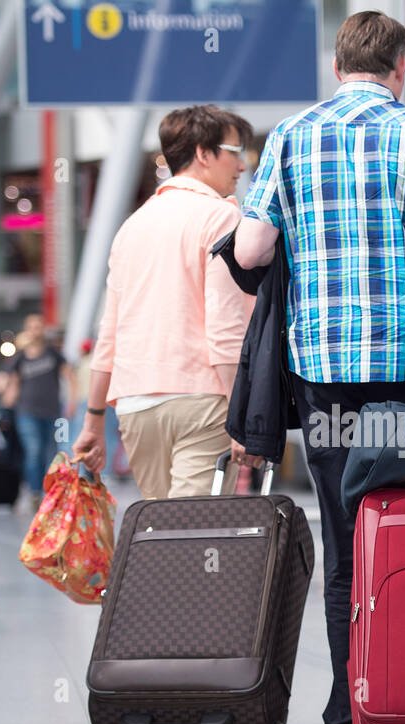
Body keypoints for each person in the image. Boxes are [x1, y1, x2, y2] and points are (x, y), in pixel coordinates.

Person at [233, 10, 405, 724]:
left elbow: (252, 246)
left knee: (346, 540)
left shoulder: (290, 137)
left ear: (339, 65)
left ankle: (350, 723)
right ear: (399, 65)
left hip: (324, 372)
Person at [71, 105, 255, 499]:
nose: (241, 166)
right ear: (204, 153)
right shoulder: (220, 217)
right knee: (195, 538)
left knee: (163, 535)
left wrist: (93, 420)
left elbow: (110, 334)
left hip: (136, 404)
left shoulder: (132, 226)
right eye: (234, 152)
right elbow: (224, 326)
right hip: (202, 398)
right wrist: (243, 416)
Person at [0, 313, 76, 508]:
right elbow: (2, 382)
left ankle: (50, 492)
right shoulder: (19, 357)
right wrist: (4, 387)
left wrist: (72, 402)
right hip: (27, 412)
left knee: (51, 453)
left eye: (39, 326)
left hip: (52, 412)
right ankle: (34, 492)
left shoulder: (53, 354)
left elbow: (70, 377)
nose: (36, 330)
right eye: (32, 326)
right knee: (33, 451)